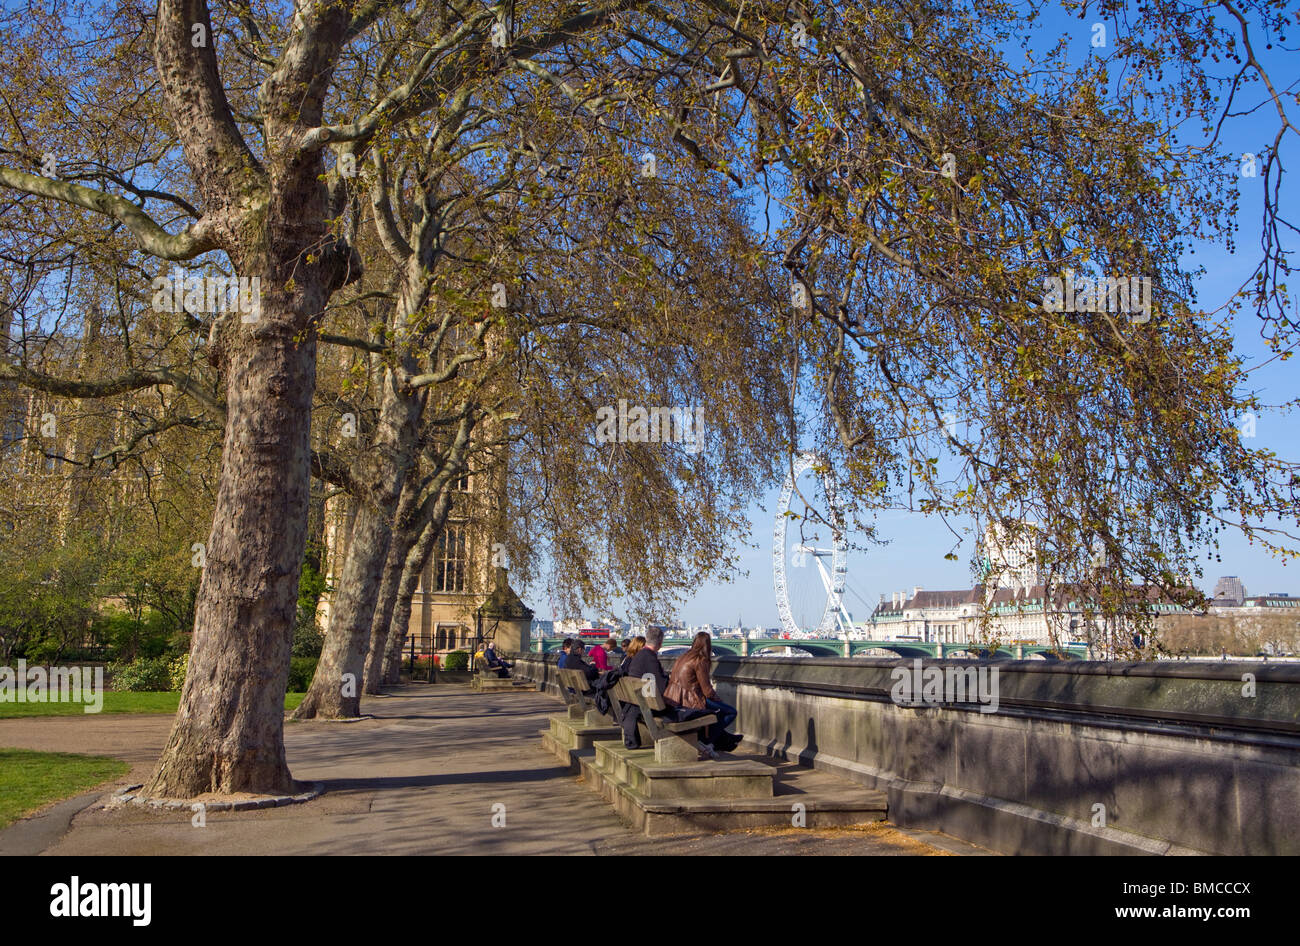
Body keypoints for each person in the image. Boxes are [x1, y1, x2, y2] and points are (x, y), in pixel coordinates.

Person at [664, 631, 741, 757]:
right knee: (730, 712)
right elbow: (707, 690)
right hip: (689, 700)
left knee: (716, 713)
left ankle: (718, 741)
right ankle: (707, 742)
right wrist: (719, 700)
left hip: (674, 700)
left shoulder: (683, 657)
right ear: (707, 646)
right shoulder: (700, 660)